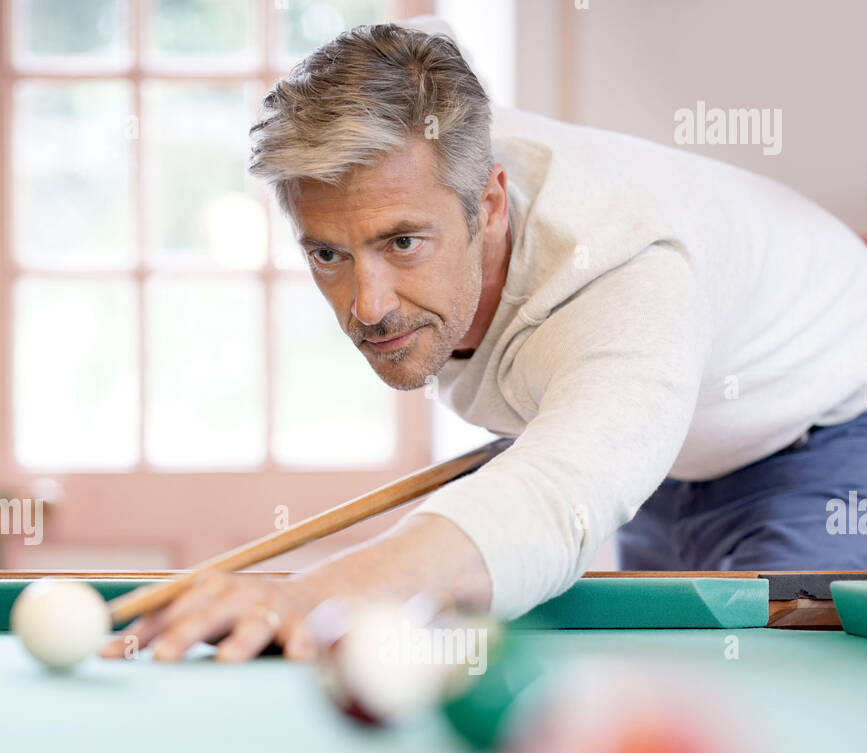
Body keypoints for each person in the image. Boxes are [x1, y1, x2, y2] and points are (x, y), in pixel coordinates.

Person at [104, 21, 867, 663]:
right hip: (668, 451)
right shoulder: (430, 140)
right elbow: (422, 43)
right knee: (673, 676)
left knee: (764, 696)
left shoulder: (627, 273)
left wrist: (312, 595)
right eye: (327, 254)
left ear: (490, 202)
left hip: (827, 432)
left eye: (402, 243)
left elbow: (554, 500)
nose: (366, 308)